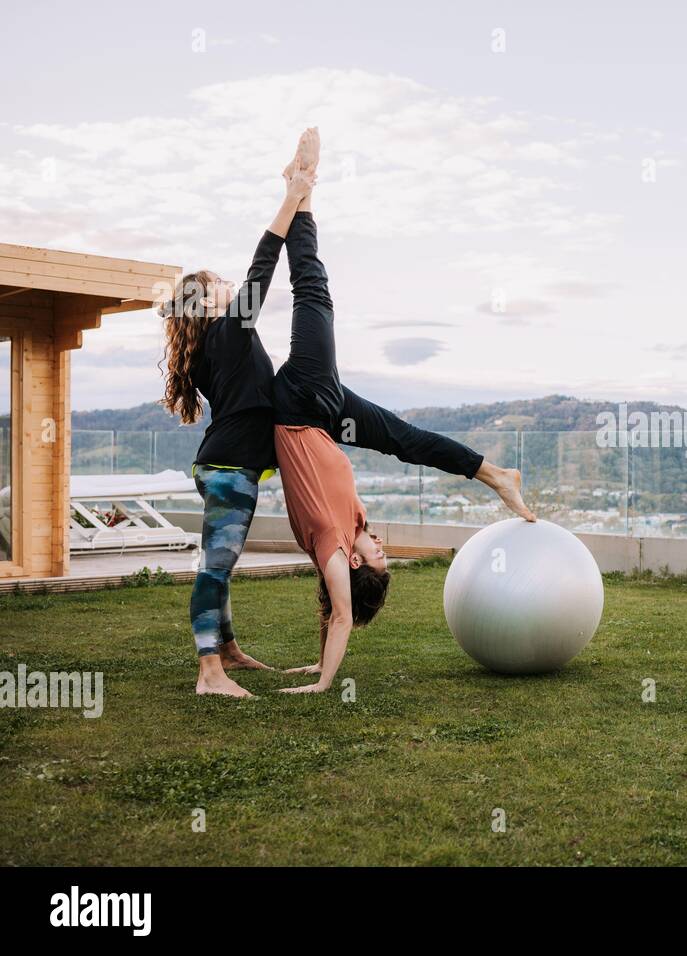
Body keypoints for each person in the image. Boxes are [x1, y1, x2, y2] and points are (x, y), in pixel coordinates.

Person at [159, 129, 532, 699]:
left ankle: (493, 474)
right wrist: (294, 194)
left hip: (291, 419)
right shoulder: (226, 335)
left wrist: (296, 193)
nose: (232, 289)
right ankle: (209, 671)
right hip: (263, 439)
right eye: (220, 286)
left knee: (397, 433)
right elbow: (263, 269)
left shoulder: (217, 342)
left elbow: (254, 276)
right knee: (313, 295)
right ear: (209, 304)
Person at [272, 130, 533, 694]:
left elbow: (339, 613)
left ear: (356, 566)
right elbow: (332, 609)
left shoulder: (333, 550)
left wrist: (323, 686)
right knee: (409, 440)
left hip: (302, 404)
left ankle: (301, 192)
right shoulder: (353, 530)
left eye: (379, 559)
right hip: (325, 412)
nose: (383, 550)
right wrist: (320, 663)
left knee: (312, 295)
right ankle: (493, 474)